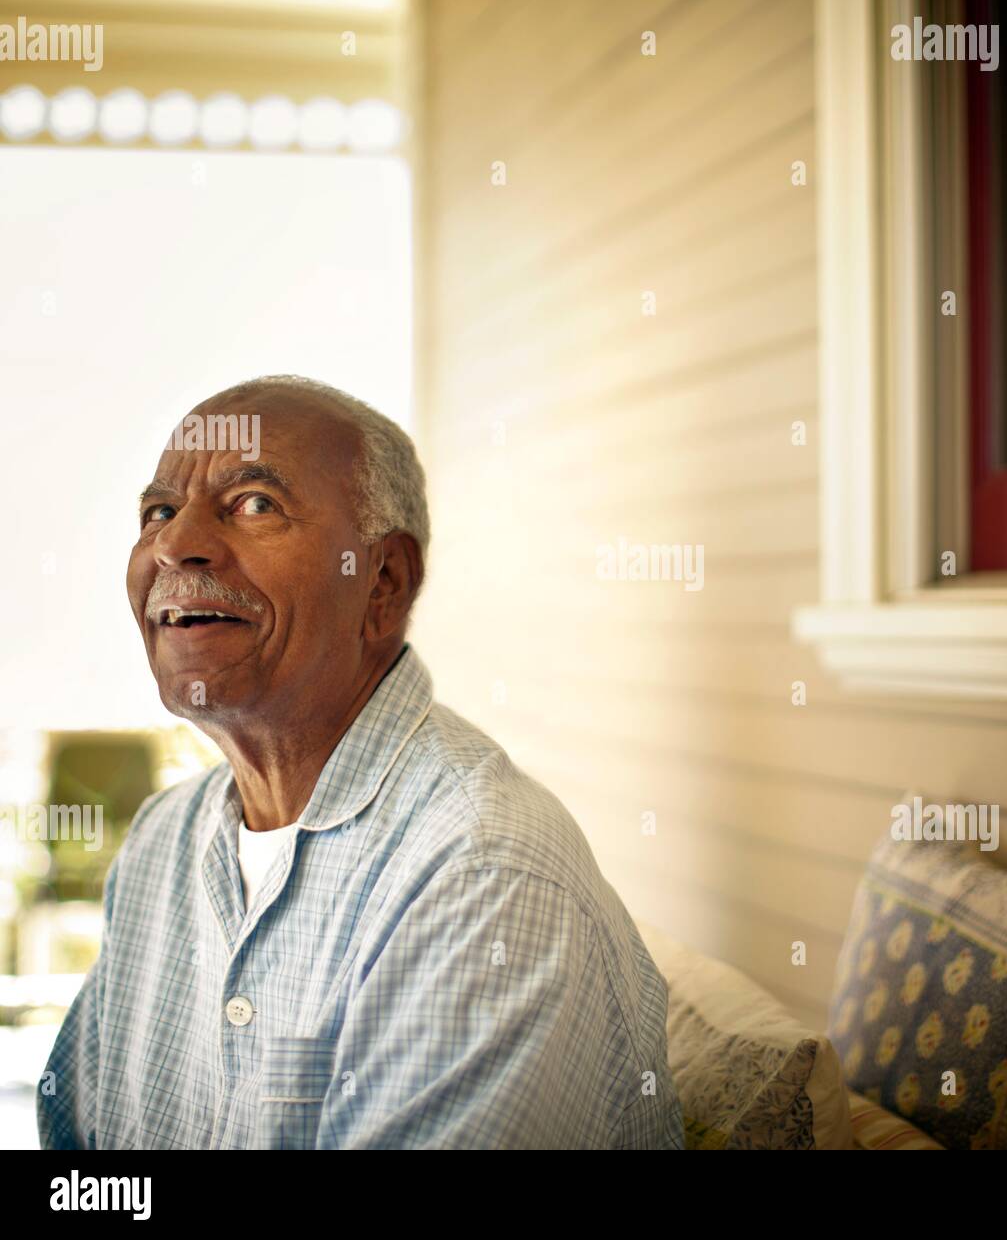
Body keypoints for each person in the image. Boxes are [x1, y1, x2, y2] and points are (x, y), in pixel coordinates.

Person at [37, 375, 683, 1150]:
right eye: (159, 513)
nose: (174, 545)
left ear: (383, 583)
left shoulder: (482, 874)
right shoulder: (160, 845)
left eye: (254, 503)